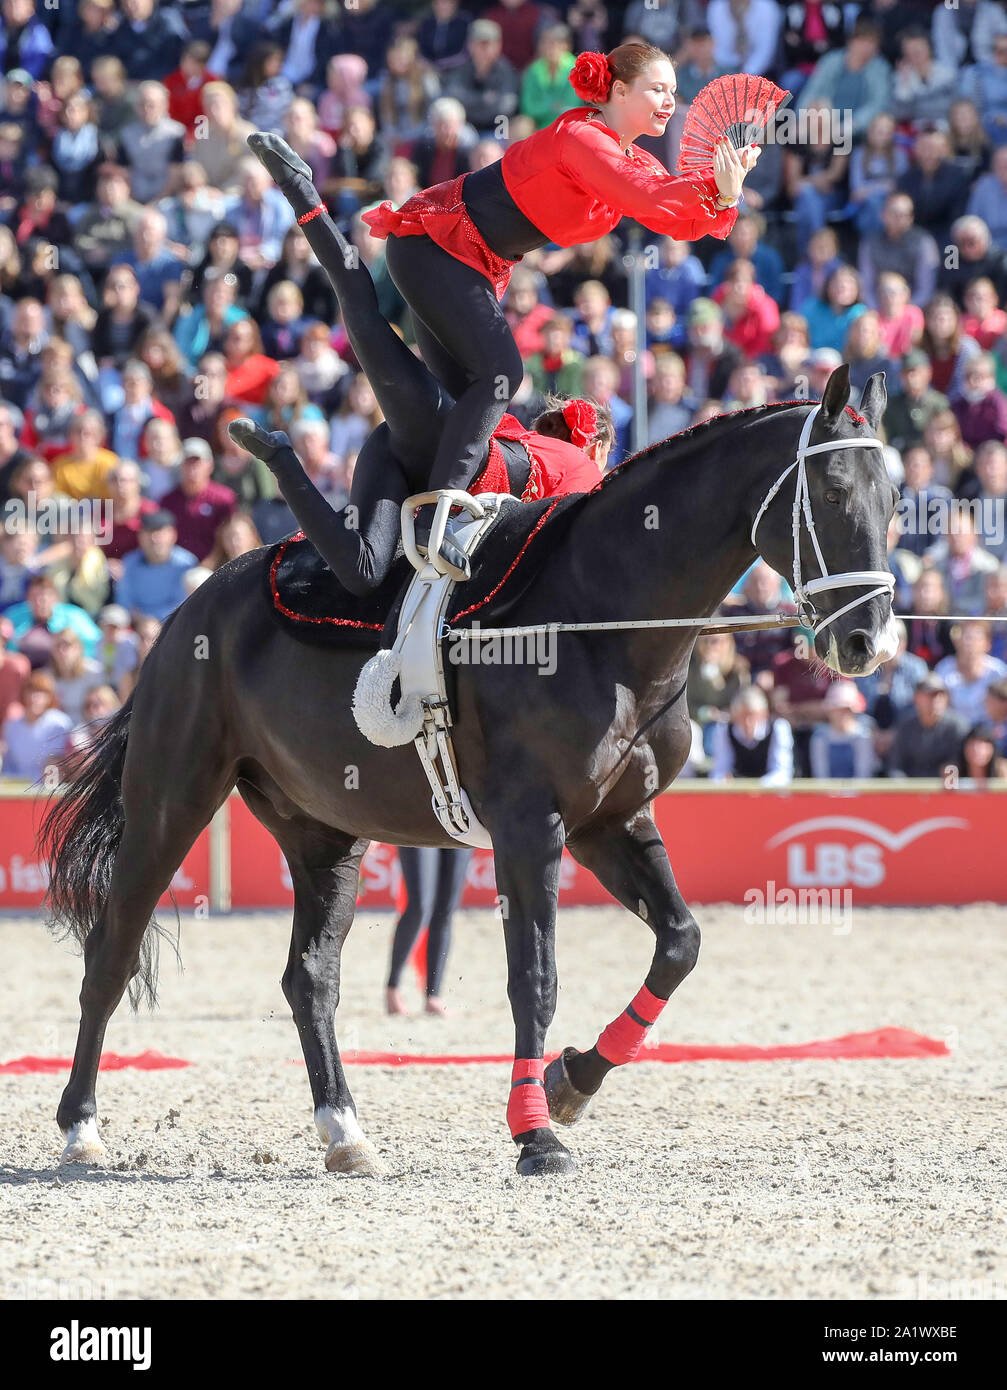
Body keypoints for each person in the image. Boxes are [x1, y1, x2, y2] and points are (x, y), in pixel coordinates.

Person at [249, 41, 755, 578]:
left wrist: (725, 194)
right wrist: (717, 198)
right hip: (441, 247)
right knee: (502, 375)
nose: (670, 101)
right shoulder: (583, 136)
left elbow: (666, 203)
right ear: (619, 90)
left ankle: (302, 191)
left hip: (470, 264)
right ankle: (436, 518)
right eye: (658, 89)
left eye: (675, 92)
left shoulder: (631, 156)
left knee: (462, 401)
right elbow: (653, 201)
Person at [228, 134, 617, 595]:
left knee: (364, 572)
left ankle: (280, 458)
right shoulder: (583, 471)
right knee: (367, 321)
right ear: (595, 445)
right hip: (430, 444)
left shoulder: (530, 437)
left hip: (407, 447)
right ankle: (301, 190)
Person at [386, 846, 472, 1016]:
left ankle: (433, 996)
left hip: (460, 825)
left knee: (445, 912)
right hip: (418, 823)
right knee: (419, 907)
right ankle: (392, 987)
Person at [114, 510, 197, 621]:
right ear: (140, 536)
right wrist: (142, 621)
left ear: (173, 534)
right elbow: (124, 602)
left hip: (175, 626)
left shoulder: (187, 564)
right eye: (149, 532)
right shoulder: (129, 562)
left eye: (159, 532)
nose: (154, 538)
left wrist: (155, 622)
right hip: (136, 626)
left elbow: (184, 603)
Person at [887, 672, 969, 777]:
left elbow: (958, 764)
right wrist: (901, 785)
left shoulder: (957, 727)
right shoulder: (906, 726)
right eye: (929, 695)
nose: (936, 700)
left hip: (945, 790)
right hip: (910, 789)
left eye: (940, 695)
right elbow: (895, 764)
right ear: (916, 698)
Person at [709, 686, 794, 785]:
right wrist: (724, 781)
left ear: (764, 714)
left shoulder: (779, 728)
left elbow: (782, 773)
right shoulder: (724, 730)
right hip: (736, 796)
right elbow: (719, 770)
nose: (748, 721)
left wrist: (756, 788)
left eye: (753, 715)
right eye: (742, 715)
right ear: (735, 716)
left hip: (770, 795)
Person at [0, 670, 72, 782]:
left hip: (47, 792)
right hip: (16, 790)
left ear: (50, 697)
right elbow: (8, 765)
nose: (35, 698)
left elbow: (58, 763)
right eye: (31, 691)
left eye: (41, 693)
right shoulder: (11, 726)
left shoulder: (60, 723)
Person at [809, 681, 880, 779]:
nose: (841, 714)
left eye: (845, 710)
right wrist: (830, 793)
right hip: (827, 793)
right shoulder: (820, 737)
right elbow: (820, 774)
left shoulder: (863, 736)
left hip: (859, 793)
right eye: (837, 709)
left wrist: (850, 793)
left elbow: (863, 774)